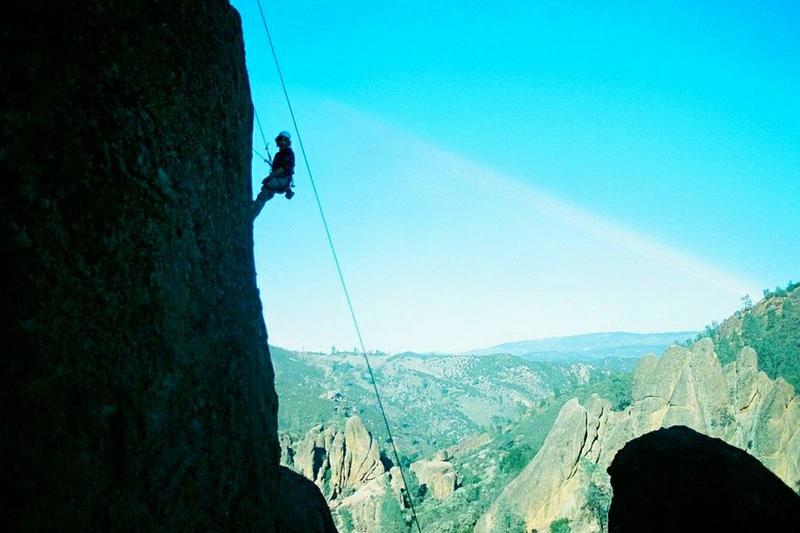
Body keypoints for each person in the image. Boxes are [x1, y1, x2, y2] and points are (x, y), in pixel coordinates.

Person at [252, 130, 295, 218]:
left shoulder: (287, 153)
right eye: (281, 140)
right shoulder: (278, 155)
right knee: (266, 193)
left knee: (266, 190)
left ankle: (251, 213)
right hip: (282, 180)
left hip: (283, 178)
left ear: (288, 142)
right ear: (278, 141)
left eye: (285, 140)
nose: (282, 142)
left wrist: (269, 177)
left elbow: (283, 169)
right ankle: (253, 211)